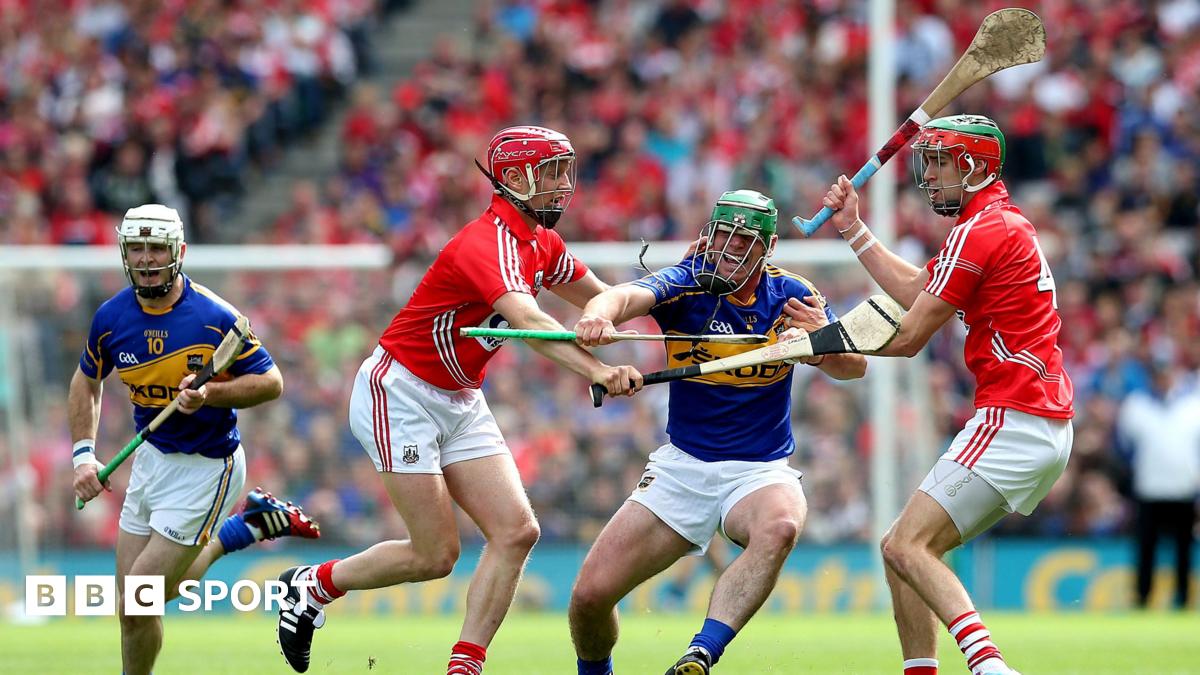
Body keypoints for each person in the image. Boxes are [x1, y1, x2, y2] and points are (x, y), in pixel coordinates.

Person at [274, 126, 643, 675]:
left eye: (565, 171)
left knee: (518, 531)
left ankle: (464, 666)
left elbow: (606, 298)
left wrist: (662, 304)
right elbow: (531, 322)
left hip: (459, 396)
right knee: (435, 555)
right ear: (515, 179)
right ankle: (310, 586)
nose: (564, 185)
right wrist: (600, 369)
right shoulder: (486, 242)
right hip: (399, 391)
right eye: (552, 173)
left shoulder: (543, 243)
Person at [568, 189, 867, 675]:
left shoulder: (792, 294)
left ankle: (701, 653)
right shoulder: (687, 281)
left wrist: (817, 345)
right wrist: (598, 316)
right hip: (682, 469)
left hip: (759, 470)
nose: (726, 249)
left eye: (741, 241)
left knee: (782, 524)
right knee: (588, 598)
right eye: (721, 234)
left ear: (766, 251)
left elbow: (854, 367)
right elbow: (625, 296)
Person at [819, 115, 1074, 675]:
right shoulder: (998, 223)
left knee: (906, 546)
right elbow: (919, 291)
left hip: (1014, 417)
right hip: (1039, 421)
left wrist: (820, 341)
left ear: (976, 168)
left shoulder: (981, 231)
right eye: (927, 161)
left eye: (940, 163)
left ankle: (990, 668)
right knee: (903, 550)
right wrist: (854, 230)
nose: (928, 176)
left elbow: (910, 336)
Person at [70, 204, 321, 675]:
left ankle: (231, 533)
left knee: (142, 595)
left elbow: (271, 382)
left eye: (156, 248)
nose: (146, 259)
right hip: (151, 458)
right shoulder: (110, 317)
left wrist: (208, 394)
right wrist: (83, 454)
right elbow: (86, 381)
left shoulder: (213, 316)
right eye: (137, 248)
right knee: (132, 606)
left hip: (208, 465)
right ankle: (244, 527)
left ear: (179, 251)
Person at [1117, 361, 1200, 609]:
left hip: (1183, 489)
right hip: (1149, 489)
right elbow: (1124, 446)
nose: (1163, 379)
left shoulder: (1192, 404)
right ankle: (1143, 598)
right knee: (1145, 548)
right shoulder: (1137, 405)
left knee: (1183, 550)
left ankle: (1183, 598)